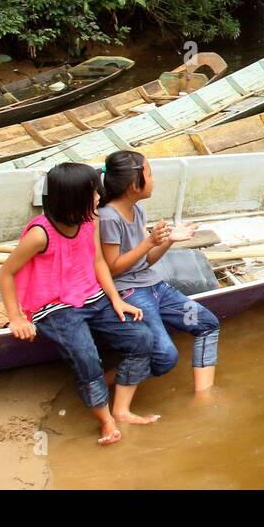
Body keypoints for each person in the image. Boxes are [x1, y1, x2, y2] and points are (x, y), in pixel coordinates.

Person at [0, 162, 156, 446]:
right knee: (85, 356)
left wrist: (116, 299)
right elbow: (6, 273)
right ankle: (106, 420)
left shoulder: (90, 220)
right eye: (93, 195)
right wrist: (16, 317)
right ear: (74, 200)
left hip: (90, 294)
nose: (99, 199)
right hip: (54, 306)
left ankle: (120, 407)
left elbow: (96, 261)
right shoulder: (39, 234)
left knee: (143, 337)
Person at [100, 151, 220, 393]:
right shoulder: (108, 217)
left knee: (206, 323)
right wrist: (150, 241)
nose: (153, 180)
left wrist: (169, 240)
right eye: (150, 174)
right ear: (134, 186)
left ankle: (204, 397)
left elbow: (145, 261)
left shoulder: (137, 211)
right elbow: (112, 269)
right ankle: (100, 383)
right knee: (164, 356)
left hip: (156, 289)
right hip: (131, 293)